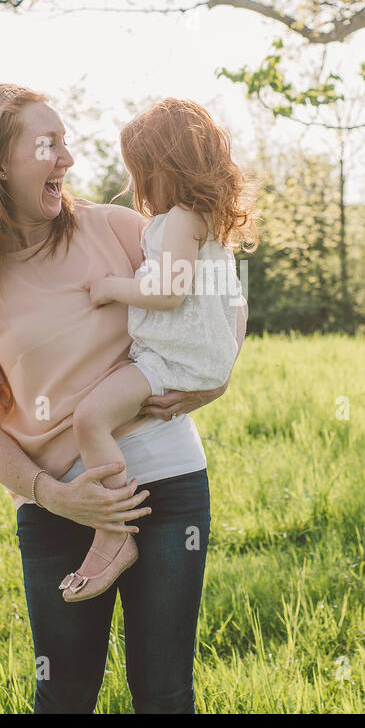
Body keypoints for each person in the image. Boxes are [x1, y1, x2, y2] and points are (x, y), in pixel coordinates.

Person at [0, 84, 249, 713]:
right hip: (59, 506)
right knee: (63, 692)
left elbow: (221, 290)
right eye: (48, 145)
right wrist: (53, 495)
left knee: (164, 691)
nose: (69, 161)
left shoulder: (116, 227)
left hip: (166, 484)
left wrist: (215, 378)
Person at [63, 98, 258, 601]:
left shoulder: (179, 221)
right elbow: (234, 304)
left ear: (162, 168)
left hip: (169, 360)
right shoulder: (208, 225)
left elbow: (168, 293)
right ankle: (117, 527)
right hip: (198, 360)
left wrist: (111, 287)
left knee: (89, 419)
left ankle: (115, 531)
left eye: (140, 173)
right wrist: (220, 369)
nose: (136, 187)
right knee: (95, 416)